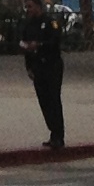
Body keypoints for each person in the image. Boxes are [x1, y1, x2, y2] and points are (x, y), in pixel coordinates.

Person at [21, 8, 68, 150]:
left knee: (53, 98)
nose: (28, 9)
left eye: (30, 6)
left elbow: (55, 40)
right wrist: (28, 66)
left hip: (52, 65)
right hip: (37, 66)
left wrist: (40, 44)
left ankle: (58, 135)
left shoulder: (50, 22)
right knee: (44, 100)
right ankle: (52, 131)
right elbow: (25, 45)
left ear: (38, 7)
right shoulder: (28, 25)